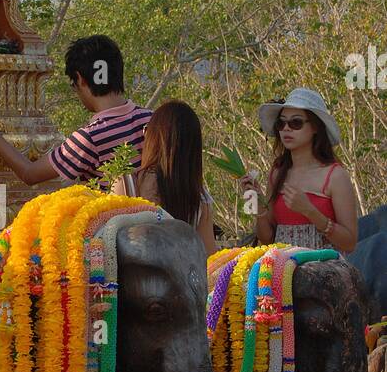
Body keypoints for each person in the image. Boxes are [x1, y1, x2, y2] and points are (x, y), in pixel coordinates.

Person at [0, 34, 151, 186]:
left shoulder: (89, 138)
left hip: (113, 223)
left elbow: (30, 173)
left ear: (80, 79)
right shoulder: (153, 119)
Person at [240, 87, 358, 253]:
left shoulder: (335, 176)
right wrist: (255, 202)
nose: (286, 129)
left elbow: (350, 243)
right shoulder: (277, 172)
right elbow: (267, 238)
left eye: (296, 123)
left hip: (324, 271)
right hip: (282, 271)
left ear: (316, 127)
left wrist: (310, 211)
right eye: (281, 123)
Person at [135, 100, 218, 256]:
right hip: (181, 279)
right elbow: (210, 258)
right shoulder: (199, 198)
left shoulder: (127, 183)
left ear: (153, 137)